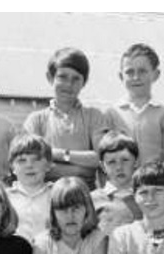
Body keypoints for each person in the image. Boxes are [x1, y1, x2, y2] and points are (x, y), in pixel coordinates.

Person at [23, 47, 119, 189]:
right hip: (46, 195)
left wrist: (57, 154)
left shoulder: (94, 116)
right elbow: (33, 164)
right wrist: (81, 170)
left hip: (86, 195)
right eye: (63, 77)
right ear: (50, 78)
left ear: (84, 83)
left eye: (76, 79)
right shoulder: (35, 120)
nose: (69, 84)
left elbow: (101, 158)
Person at [105, 43, 164, 166]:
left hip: (154, 182)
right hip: (123, 182)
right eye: (129, 72)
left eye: (142, 71)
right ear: (121, 76)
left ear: (156, 74)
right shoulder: (112, 114)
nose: (136, 77)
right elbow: (105, 156)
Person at [90, 131, 142, 235]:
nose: (119, 167)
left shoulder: (145, 197)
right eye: (111, 162)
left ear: (136, 161)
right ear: (103, 167)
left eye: (125, 160)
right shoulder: (93, 199)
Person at [6, 134, 54, 241]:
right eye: (22, 161)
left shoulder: (56, 194)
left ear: (48, 164)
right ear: (12, 167)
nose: (29, 165)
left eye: (36, 159)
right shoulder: (5, 198)